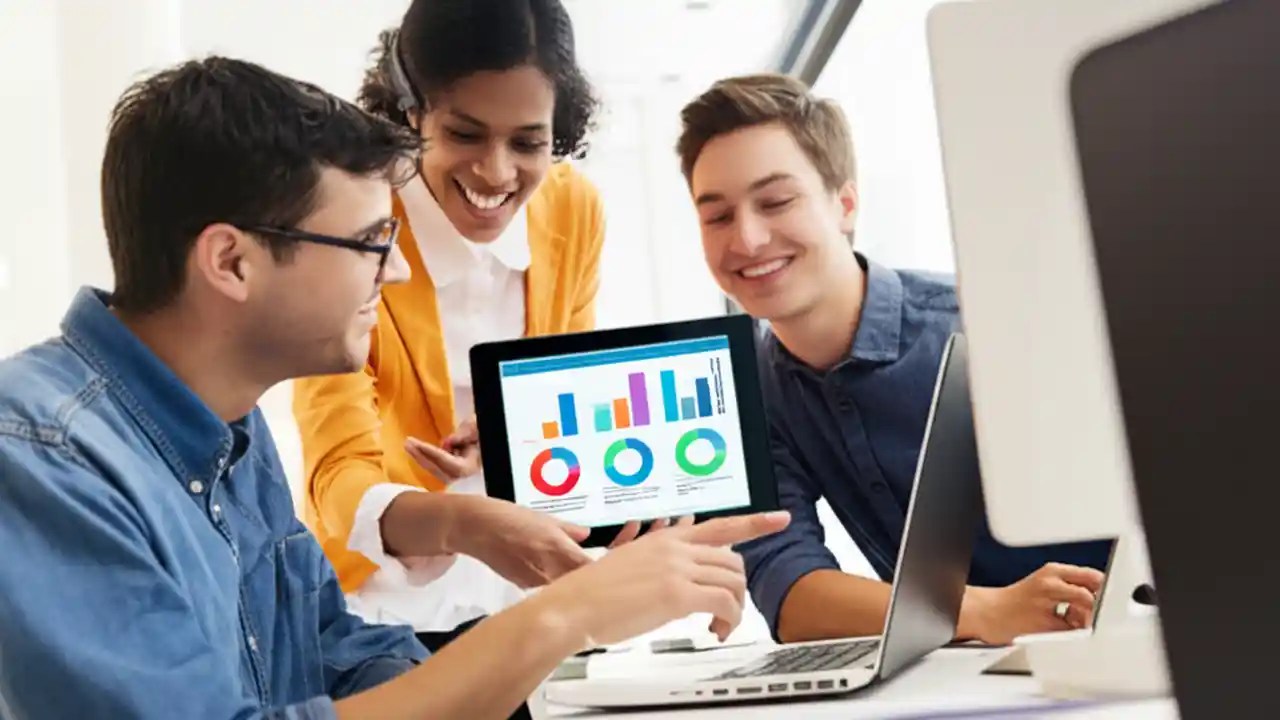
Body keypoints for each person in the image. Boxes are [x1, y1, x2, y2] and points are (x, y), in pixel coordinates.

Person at [0, 56, 790, 720]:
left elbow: (340, 658)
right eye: (374, 243)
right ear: (231, 262)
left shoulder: (227, 432)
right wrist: (569, 614)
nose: (402, 269)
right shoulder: (40, 459)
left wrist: (575, 647)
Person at [675, 73, 1113, 646]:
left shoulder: (977, 324)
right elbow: (792, 593)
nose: (749, 239)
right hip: (951, 674)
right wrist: (982, 612)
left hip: (1112, 639)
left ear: (845, 204)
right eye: (718, 217)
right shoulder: (748, 393)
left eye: (776, 201)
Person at [291, 0, 672, 646]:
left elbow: (567, 399)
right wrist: (465, 523)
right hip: (381, 613)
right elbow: (338, 475)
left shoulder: (572, 209)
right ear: (411, 112)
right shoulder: (352, 226)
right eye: (465, 135)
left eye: (528, 142)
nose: (497, 172)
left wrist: (508, 434)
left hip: (529, 598)